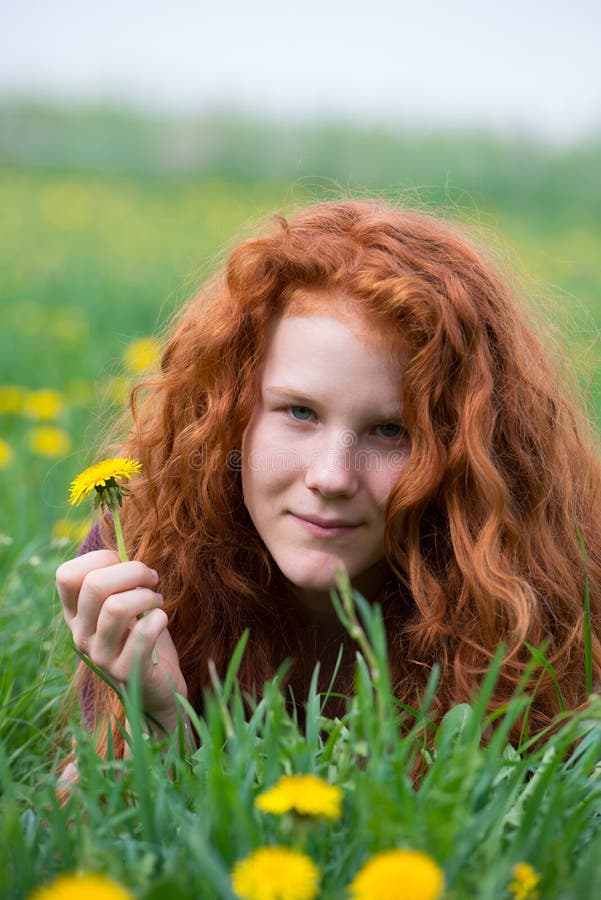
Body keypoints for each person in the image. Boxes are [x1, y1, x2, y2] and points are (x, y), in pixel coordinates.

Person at [56, 199, 601, 761]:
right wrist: (161, 723)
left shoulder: (555, 585)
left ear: (469, 450)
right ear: (227, 411)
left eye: (391, 430)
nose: (333, 477)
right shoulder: (144, 557)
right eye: (299, 413)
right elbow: (94, 828)